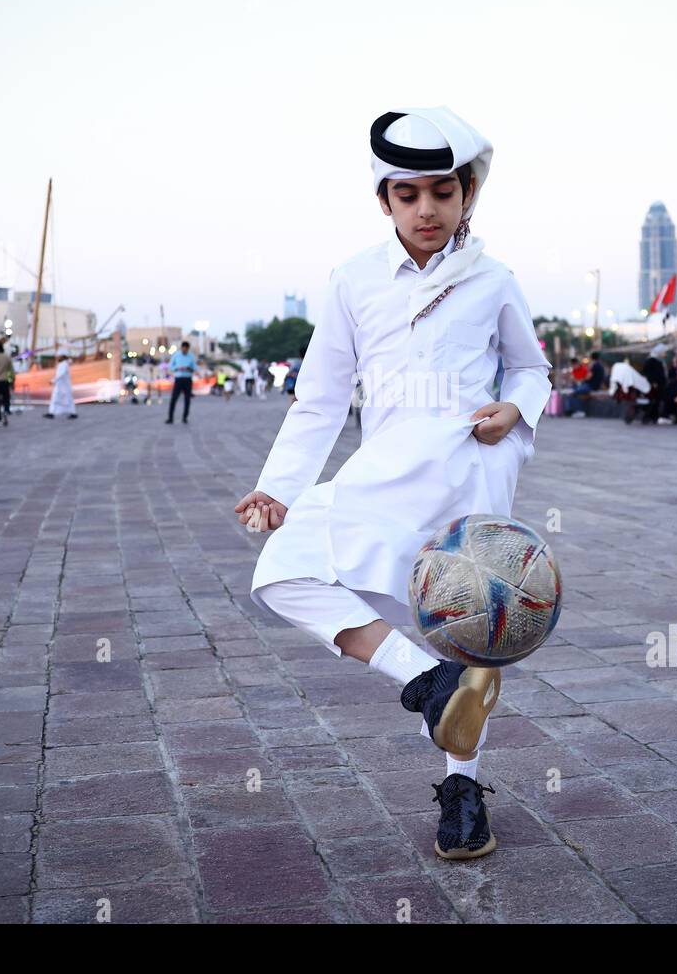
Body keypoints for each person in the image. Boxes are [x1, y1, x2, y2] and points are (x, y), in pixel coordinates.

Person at [235, 107, 550, 860]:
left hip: (469, 466)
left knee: (471, 628)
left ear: (467, 194)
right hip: (382, 471)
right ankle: (424, 684)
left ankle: (463, 793)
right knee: (283, 573)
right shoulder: (353, 281)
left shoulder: (493, 279)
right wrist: (278, 486)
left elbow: (531, 367)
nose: (427, 209)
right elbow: (320, 395)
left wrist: (516, 408)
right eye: (408, 194)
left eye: (443, 191)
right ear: (384, 201)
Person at [166, 340, 197, 424]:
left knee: (187, 399)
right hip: (178, 379)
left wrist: (188, 368)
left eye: (186, 349)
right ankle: (170, 417)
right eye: (184, 349)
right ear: (181, 348)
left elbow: (195, 368)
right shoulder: (176, 355)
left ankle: (184, 417)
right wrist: (177, 368)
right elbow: (170, 366)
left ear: (188, 349)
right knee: (174, 398)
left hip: (187, 379)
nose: (185, 350)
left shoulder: (191, 357)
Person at [44, 349, 77, 419]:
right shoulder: (63, 364)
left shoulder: (63, 364)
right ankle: (52, 412)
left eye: (58, 356)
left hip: (63, 386)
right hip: (62, 386)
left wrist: (53, 381)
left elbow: (60, 374)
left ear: (62, 356)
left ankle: (52, 413)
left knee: (64, 399)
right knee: (59, 399)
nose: (57, 357)